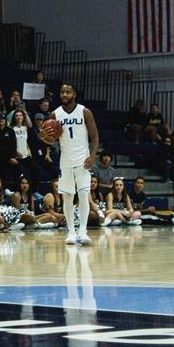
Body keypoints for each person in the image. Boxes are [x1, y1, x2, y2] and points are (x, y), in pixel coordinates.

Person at [52, 83, 100, 246]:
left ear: (74, 94)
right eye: (62, 92)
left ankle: (83, 232)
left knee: (83, 195)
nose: (64, 94)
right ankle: (71, 232)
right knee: (67, 196)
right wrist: (45, 137)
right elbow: (49, 138)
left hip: (83, 160)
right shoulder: (55, 114)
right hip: (65, 160)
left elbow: (94, 137)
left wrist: (92, 156)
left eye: (68, 92)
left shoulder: (84, 111)